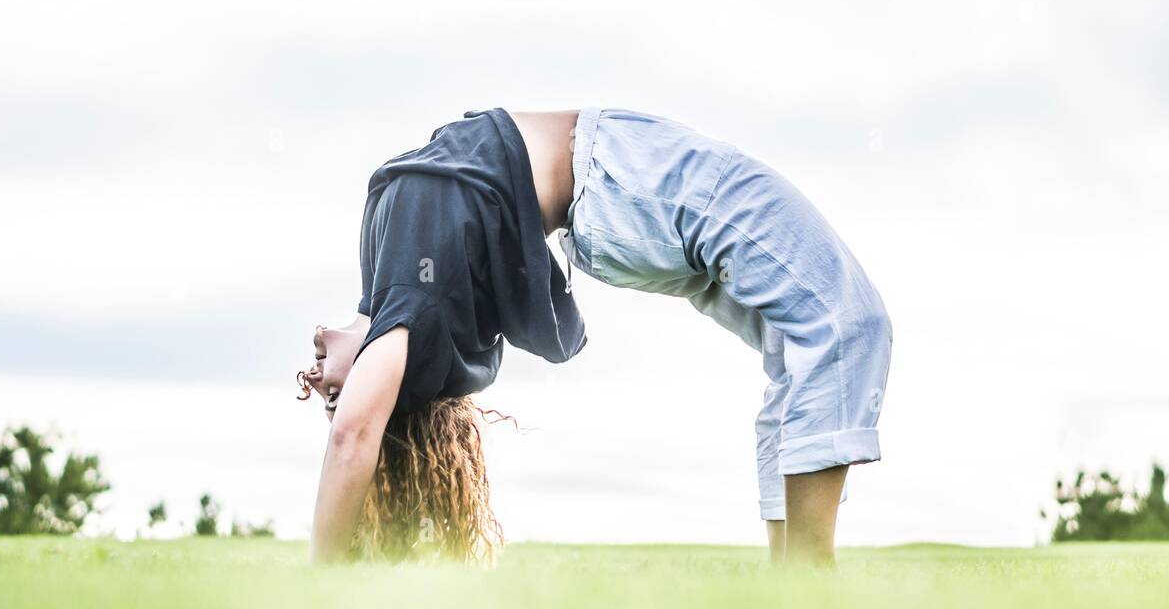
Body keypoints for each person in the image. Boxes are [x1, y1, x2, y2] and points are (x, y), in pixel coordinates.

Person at [301, 108, 891, 566]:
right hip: (618, 180)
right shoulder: (406, 300)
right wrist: (320, 586)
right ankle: (809, 572)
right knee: (846, 324)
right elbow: (355, 436)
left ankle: (794, 581)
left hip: (619, 197)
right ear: (374, 382)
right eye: (332, 394)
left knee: (800, 348)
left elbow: (358, 422)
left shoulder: (389, 278)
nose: (311, 378)